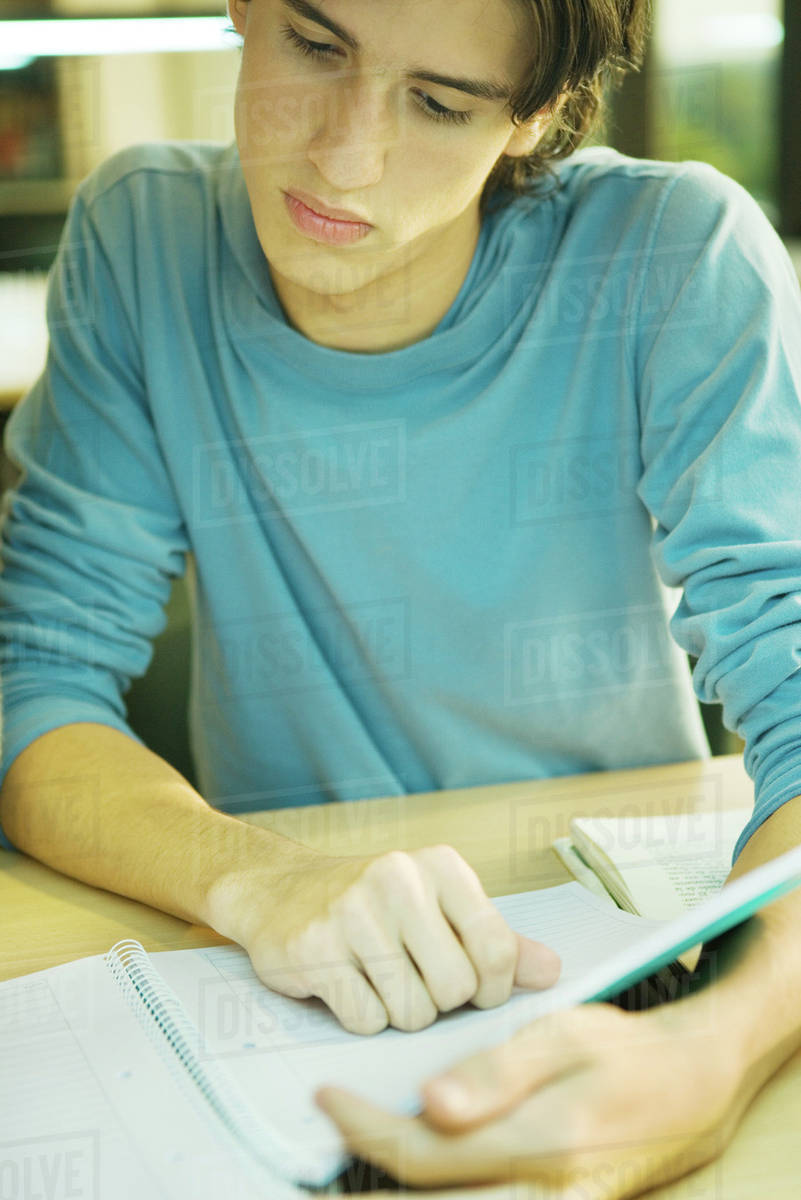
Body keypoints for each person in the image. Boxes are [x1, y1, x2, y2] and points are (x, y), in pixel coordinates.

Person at [1, 0, 800, 1195]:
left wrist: (722, 1048)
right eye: (314, 49)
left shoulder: (674, 256)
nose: (344, 155)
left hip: (610, 953)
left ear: (532, 117)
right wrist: (254, 877)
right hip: (275, 971)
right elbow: (33, 683)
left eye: (439, 103)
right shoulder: (144, 236)